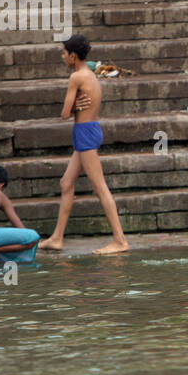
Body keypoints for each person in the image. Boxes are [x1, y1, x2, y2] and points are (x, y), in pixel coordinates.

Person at [40, 35, 130, 254]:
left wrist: (71, 108)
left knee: (100, 187)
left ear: (73, 55)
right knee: (66, 183)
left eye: (64, 53)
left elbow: (63, 114)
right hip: (88, 131)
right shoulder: (88, 72)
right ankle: (57, 238)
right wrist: (75, 107)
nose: (62, 57)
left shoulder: (77, 77)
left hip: (85, 134)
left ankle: (120, 240)